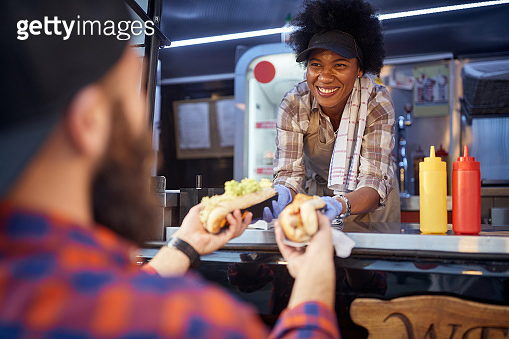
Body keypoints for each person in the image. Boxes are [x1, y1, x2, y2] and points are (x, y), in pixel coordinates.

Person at [0, 1, 340, 338]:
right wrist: (315, 277)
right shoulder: (193, 322)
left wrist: (184, 246)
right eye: (132, 91)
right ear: (91, 121)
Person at [272, 0, 401, 224]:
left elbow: (373, 179)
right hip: (318, 202)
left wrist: (339, 204)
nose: (324, 77)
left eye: (339, 65)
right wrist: (280, 196)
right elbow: (288, 175)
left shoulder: (376, 102)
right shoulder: (295, 103)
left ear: (359, 69)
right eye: (316, 65)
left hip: (370, 206)